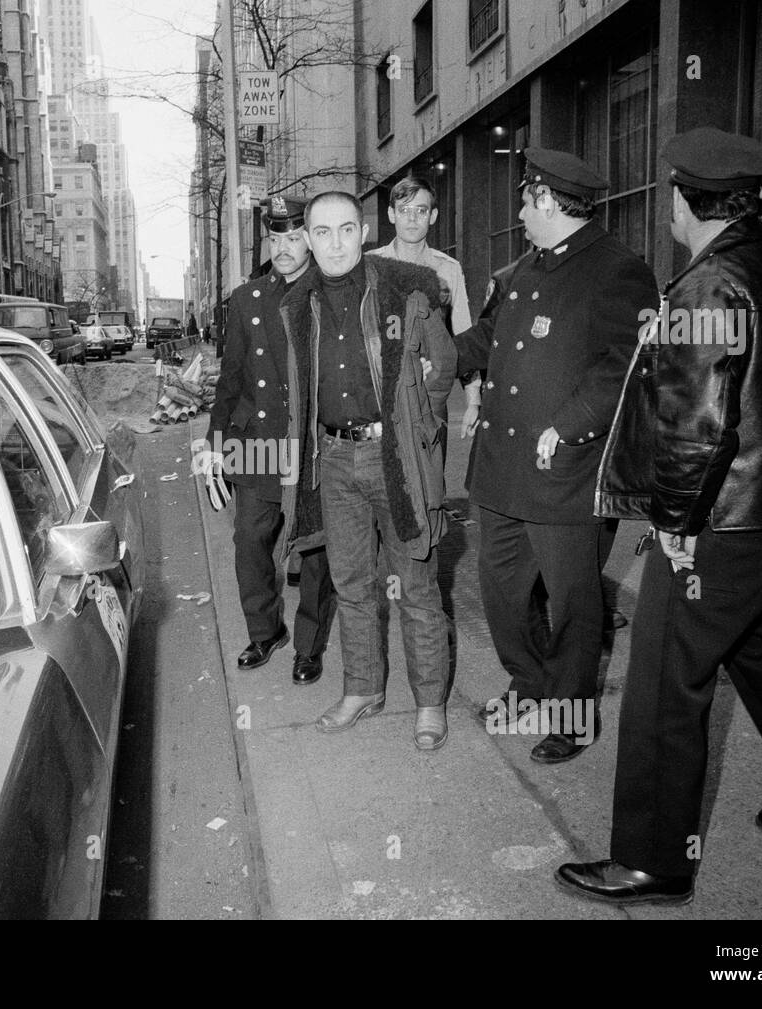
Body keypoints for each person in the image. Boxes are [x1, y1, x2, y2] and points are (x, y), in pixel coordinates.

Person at [557, 127, 762, 906]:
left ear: (687, 200)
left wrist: (673, 522)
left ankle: (652, 861)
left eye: (671, 192)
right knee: (757, 655)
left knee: (666, 689)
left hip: (718, 527)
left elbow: (697, 427)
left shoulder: (709, 286)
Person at [452, 148, 658, 764]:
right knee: (502, 592)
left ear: (547, 201)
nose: (519, 212)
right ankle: (530, 681)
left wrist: (568, 425)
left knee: (573, 601)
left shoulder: (618, 271)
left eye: (525, 200)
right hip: (501, 469)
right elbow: (489, 338)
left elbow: (623, 365)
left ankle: (571, 713)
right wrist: (433, 351)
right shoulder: (521, 271)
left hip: (564, 469)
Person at [276, 190, 457, 750]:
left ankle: (429, 703)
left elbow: (444, 364)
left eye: (346, 230)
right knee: (351, 584)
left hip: (393, 456)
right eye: (323, 232)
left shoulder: (404, 289)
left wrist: (414, 419)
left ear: (363, 230)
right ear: (307, 238)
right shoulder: (296, 303)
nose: (335, 243)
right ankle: (362, 689)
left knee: (417, 585)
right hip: (332, 458)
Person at [202, 196, 337, 685]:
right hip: (255, 440)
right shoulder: (246, 298)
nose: (282, 247)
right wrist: (216, 444)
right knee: (248, 541)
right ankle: (265, 630)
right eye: (275, 237)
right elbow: (230, 377)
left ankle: (309, 644)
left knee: (317, 549)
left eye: (294, 237)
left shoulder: (328, 293)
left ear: (311, 239)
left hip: (312, 443)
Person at [369, 174, 483, 452]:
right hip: (379, 393)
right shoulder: (370, 266)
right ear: (391, 214)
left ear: (432, 216)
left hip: (431, 394)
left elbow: (463, 335)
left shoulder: (448, 269)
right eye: (404, 210)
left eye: (420, 210)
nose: (412, 219)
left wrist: (474, 399)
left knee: (431, 486)